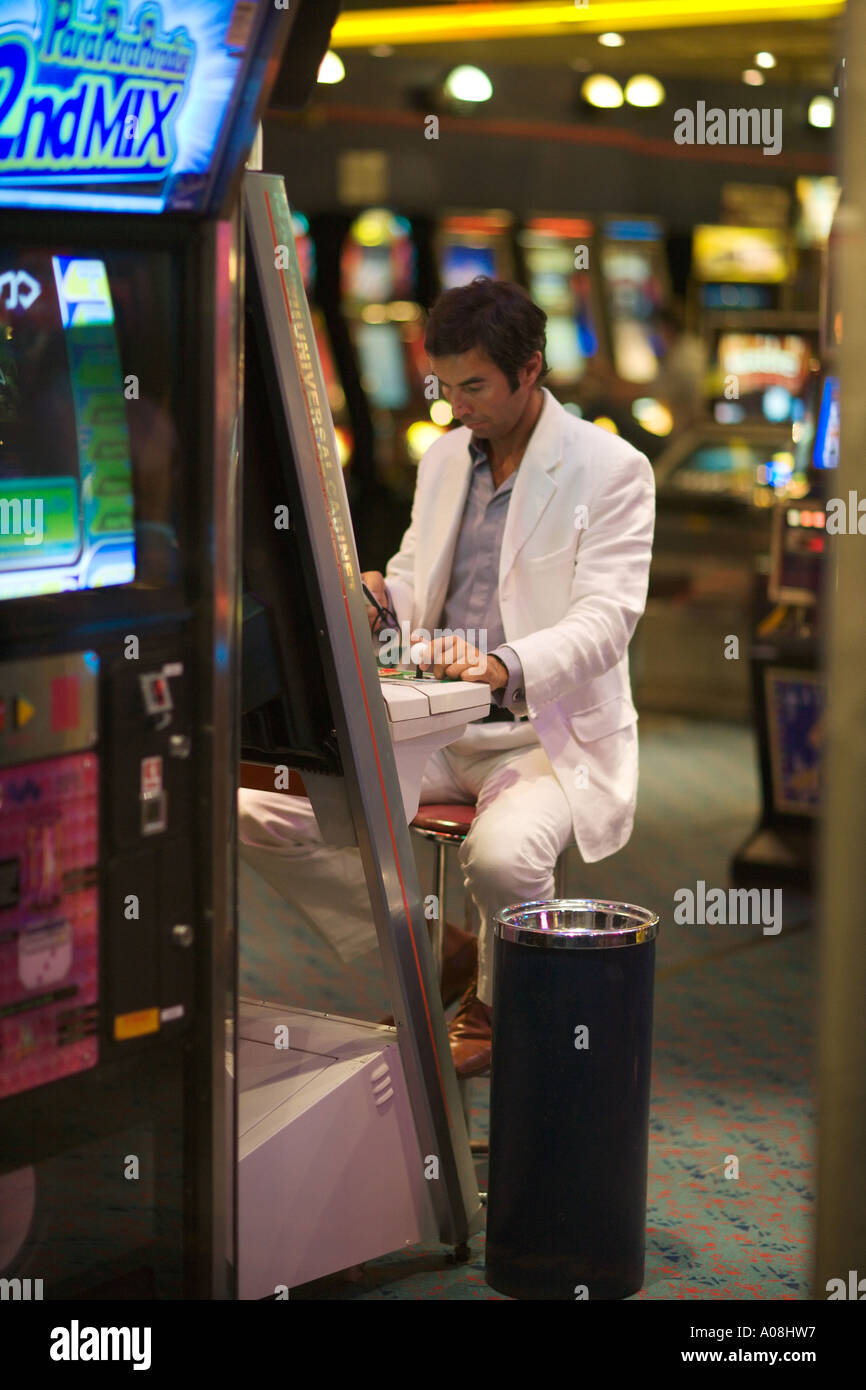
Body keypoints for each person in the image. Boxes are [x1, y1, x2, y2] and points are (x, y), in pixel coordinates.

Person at [238, 277, 655, 1078]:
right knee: (259, 806)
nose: (458, 405)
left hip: (541, 734)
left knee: (501, 860)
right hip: (432, 718)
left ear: (529, 371)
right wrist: (377, 596)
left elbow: (608, 619)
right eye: (444, 386)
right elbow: (413, 574)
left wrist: (506, 665)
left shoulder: (611, 469)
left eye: (475, 387)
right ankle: (438, 949)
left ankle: (495, 1008)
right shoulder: (442, 458)